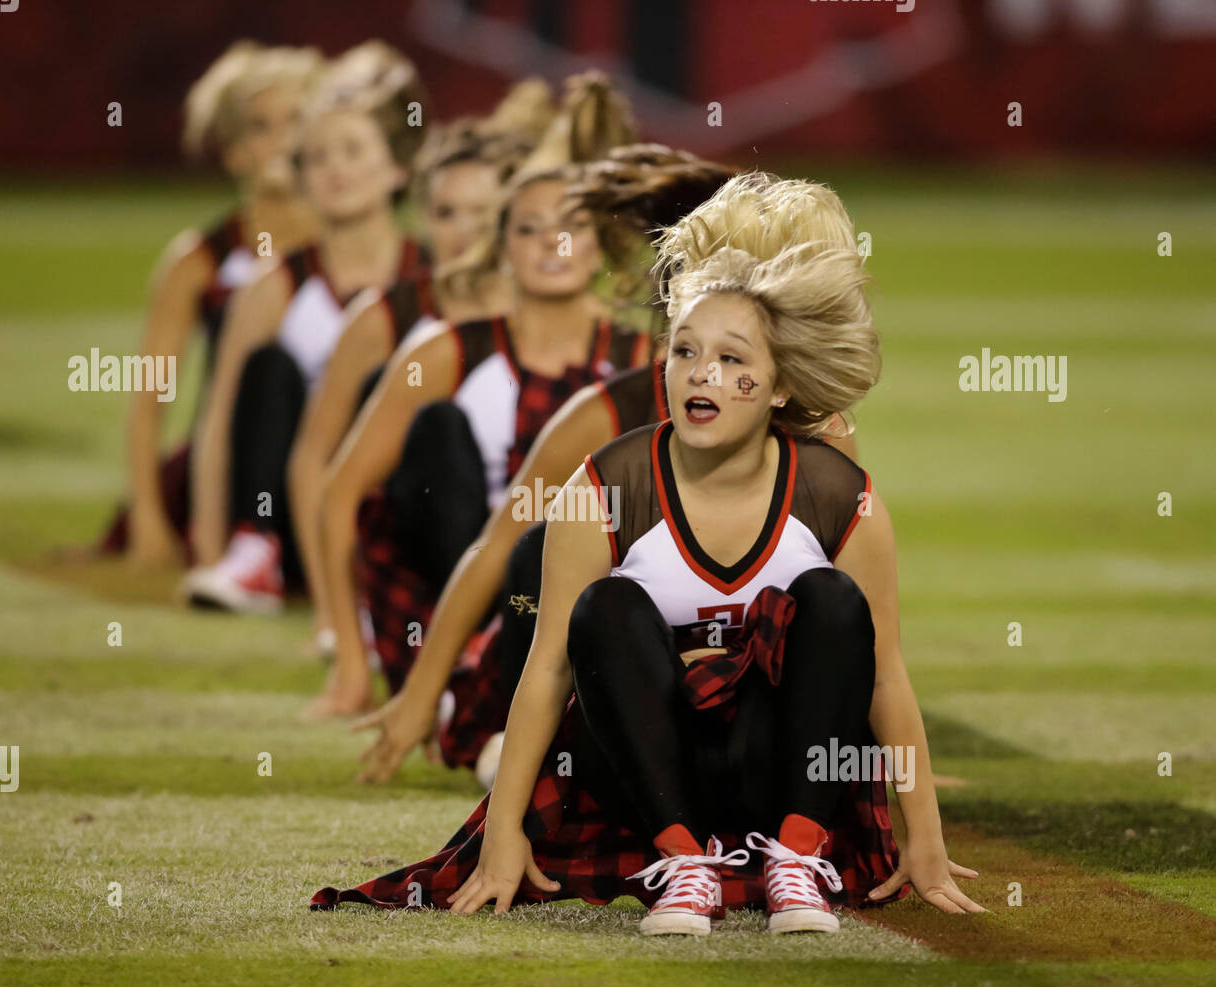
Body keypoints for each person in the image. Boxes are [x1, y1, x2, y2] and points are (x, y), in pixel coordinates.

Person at [313, 175, 982, 936]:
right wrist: (504, 835)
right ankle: (683, 862)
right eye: (687, 351)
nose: (703, 373)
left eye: (734, 361)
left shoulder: (839, 493)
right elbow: (547, 672)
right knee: (604, 608)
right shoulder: (603, 481)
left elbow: (885, 675)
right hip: (646, 776)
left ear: (780, 385)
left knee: (833, 600)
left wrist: (923, 838)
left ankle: (797, 855)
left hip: (779, 769)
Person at [309, 74, 644, 718]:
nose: (554, 242)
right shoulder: (444, 350)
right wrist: (351, 663)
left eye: (575, 225)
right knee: (439, 431)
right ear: (502, 246)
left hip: (580, 584)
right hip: (457, 588)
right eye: (529, 229)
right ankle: (454, 678)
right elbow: (341, 489)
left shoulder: (643, 358)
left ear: (601, 240)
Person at [286, 81, 554, 647]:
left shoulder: (558, 311)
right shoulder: (388, 316)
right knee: (439, 430)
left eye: (483, 213)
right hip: (423, 550)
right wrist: (330, 614)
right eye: (446, 212)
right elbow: (319, 464)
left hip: (532, 550)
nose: (464, 231)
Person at [182, 41, 429, 611]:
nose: (335, 168)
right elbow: (219, 423)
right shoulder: (274, 284)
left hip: (386, 513)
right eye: (317, 157)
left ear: (395, 167)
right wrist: (208, 552)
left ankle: (408, 575)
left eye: (351, 151)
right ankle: (254, 553)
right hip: (293, 517)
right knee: (270, 369)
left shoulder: (429, 275)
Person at [96, 42, 322, 567]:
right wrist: (150, 520)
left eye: (298, 120)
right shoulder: (198, 261)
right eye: (262, 127)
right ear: (233, 152)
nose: (284, 140)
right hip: (231, 472)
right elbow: (151, 402)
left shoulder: (357, 242)